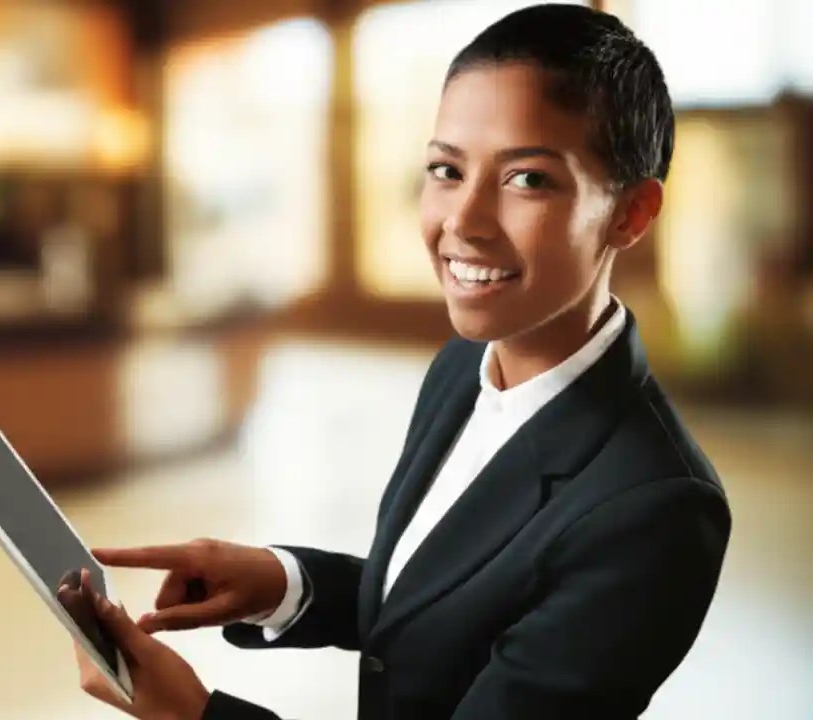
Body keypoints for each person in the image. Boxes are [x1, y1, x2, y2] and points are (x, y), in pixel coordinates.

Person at [70, 5, 731, 718]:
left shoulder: (655, 509)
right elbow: (451, 603)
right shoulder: (460, 369)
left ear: (630, 214)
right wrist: (285, 583)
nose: (463, 222)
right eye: (446, 169)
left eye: (528, 180)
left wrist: (192, 715)